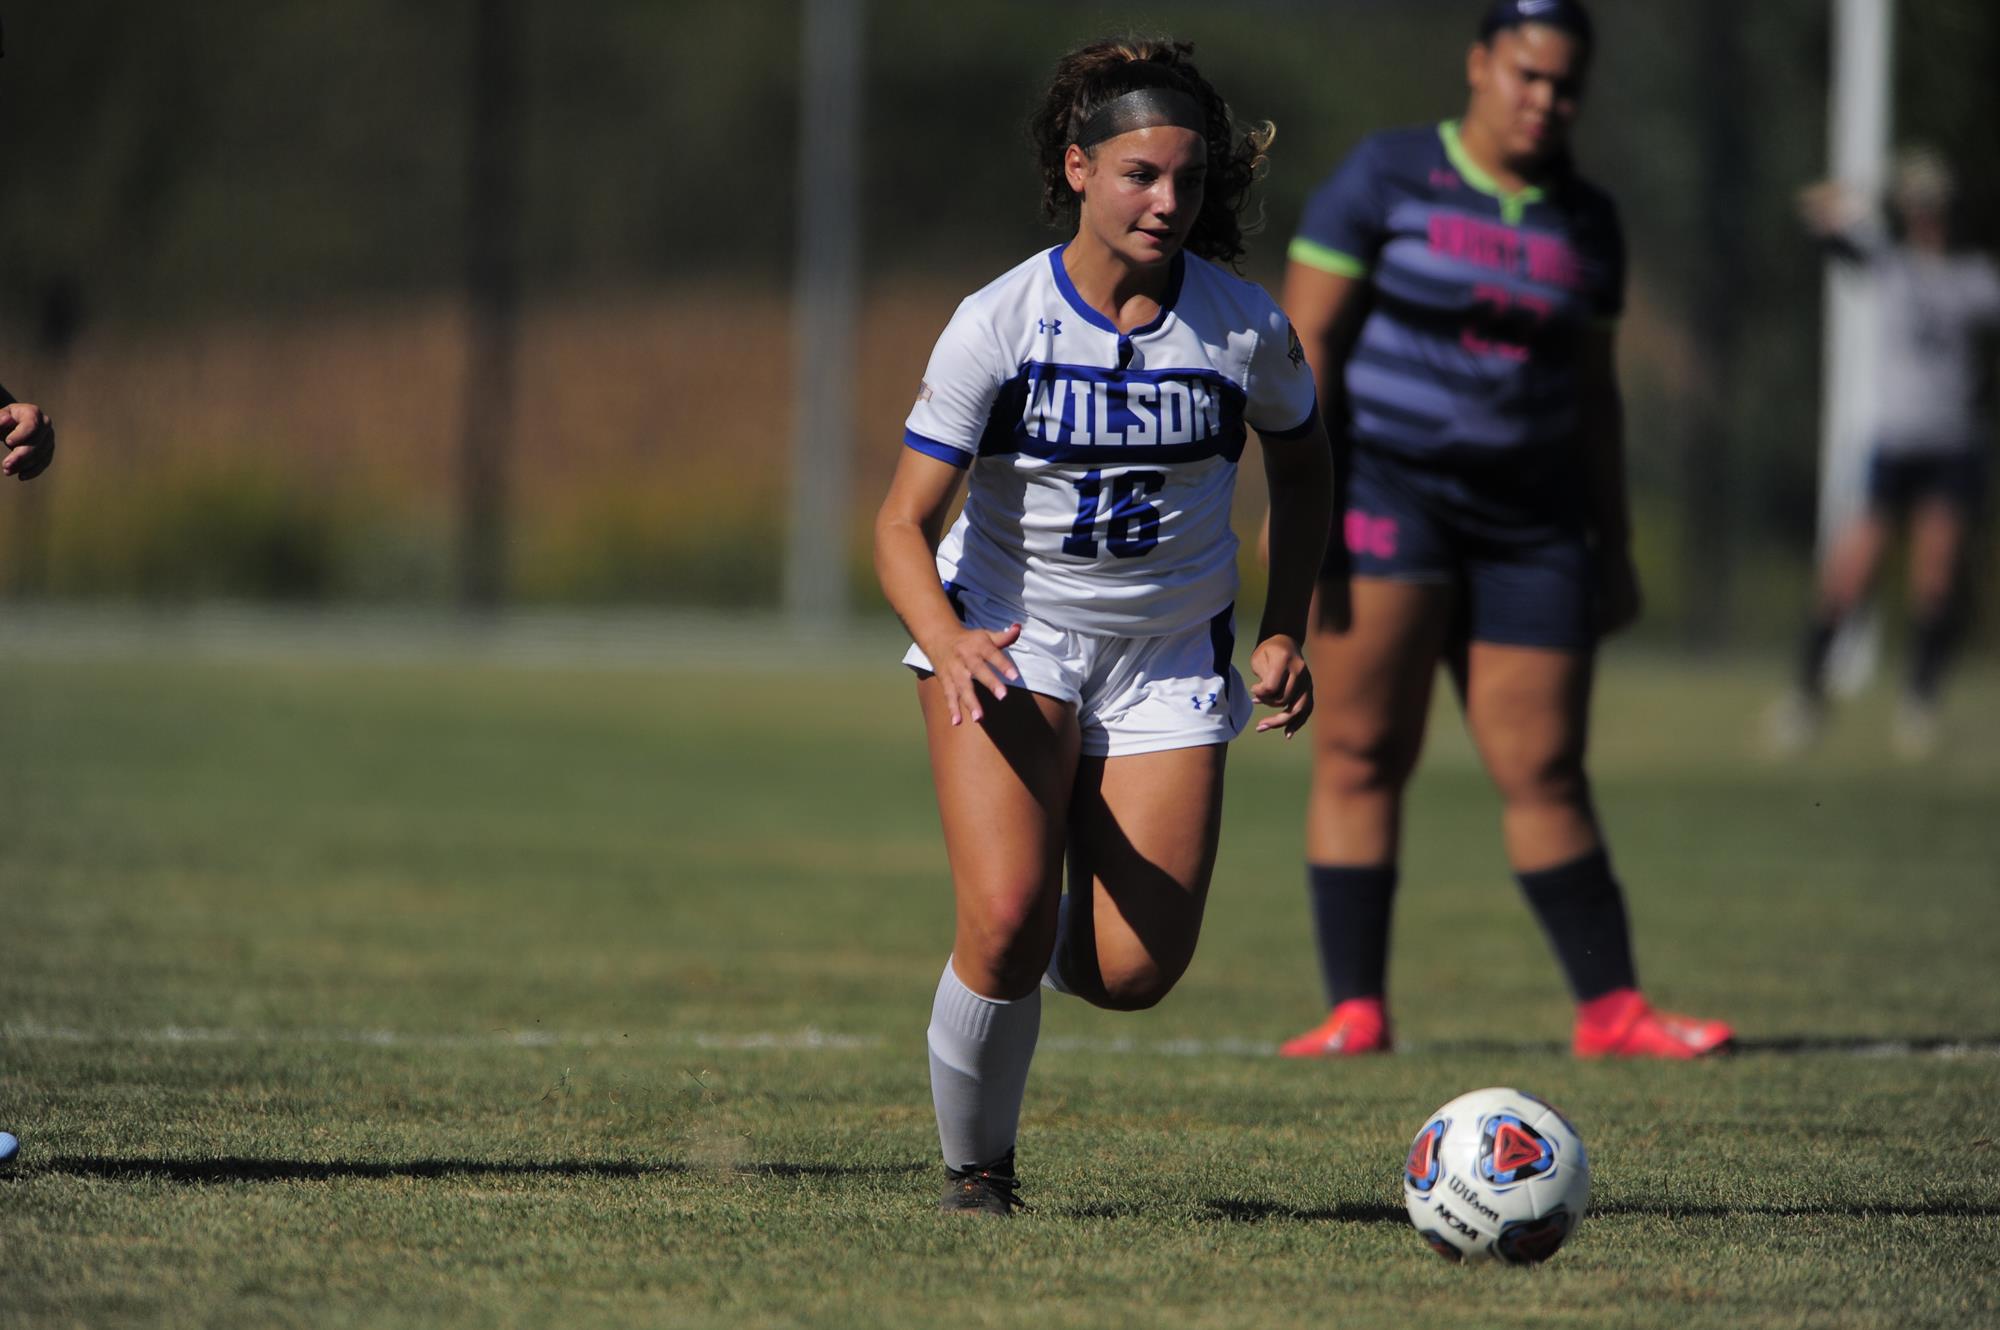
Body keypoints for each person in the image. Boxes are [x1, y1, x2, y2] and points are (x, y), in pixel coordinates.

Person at [874, 37, 1333, 1215]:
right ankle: (978, 1172)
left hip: (1169, 654)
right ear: (1076, 168)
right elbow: (898, 523)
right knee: (1006, 917)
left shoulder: (1241, 328)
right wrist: (952, 633)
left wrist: (1286, 628)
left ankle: (1050, 933)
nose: (1166, 201)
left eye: (1185, 178)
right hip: (1008, 638)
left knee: (1131, 975)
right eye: (1138, 174)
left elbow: (1306, 473)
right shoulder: (1000, 320)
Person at [1271, 0, 1732, 1061]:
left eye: (1564, 85)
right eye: (1525, 75)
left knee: (1545, 766)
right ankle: (1356, 1010)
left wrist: (1609, 544)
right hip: (1387, 497)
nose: (1544, 101)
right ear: (1478, 65)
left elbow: (1596, 397)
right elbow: (1304, 355)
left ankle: (1610, 1010)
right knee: (1360, 748)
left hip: (1532, 523)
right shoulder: (1382, 178)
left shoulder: (1587, 221)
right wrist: (1292, 511)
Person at [1767, 147, 2000, 760]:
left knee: (1936, 576)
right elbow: (1812, 211)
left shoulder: (1973, 276)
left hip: (1951, 445)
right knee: (1849, 573)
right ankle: (1806, 697)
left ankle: (1920, 703)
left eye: (1935, 206)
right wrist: (1874, 189)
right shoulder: (1888, 263)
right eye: (1920, 206)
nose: (1928, 217)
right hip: (1895, 443)